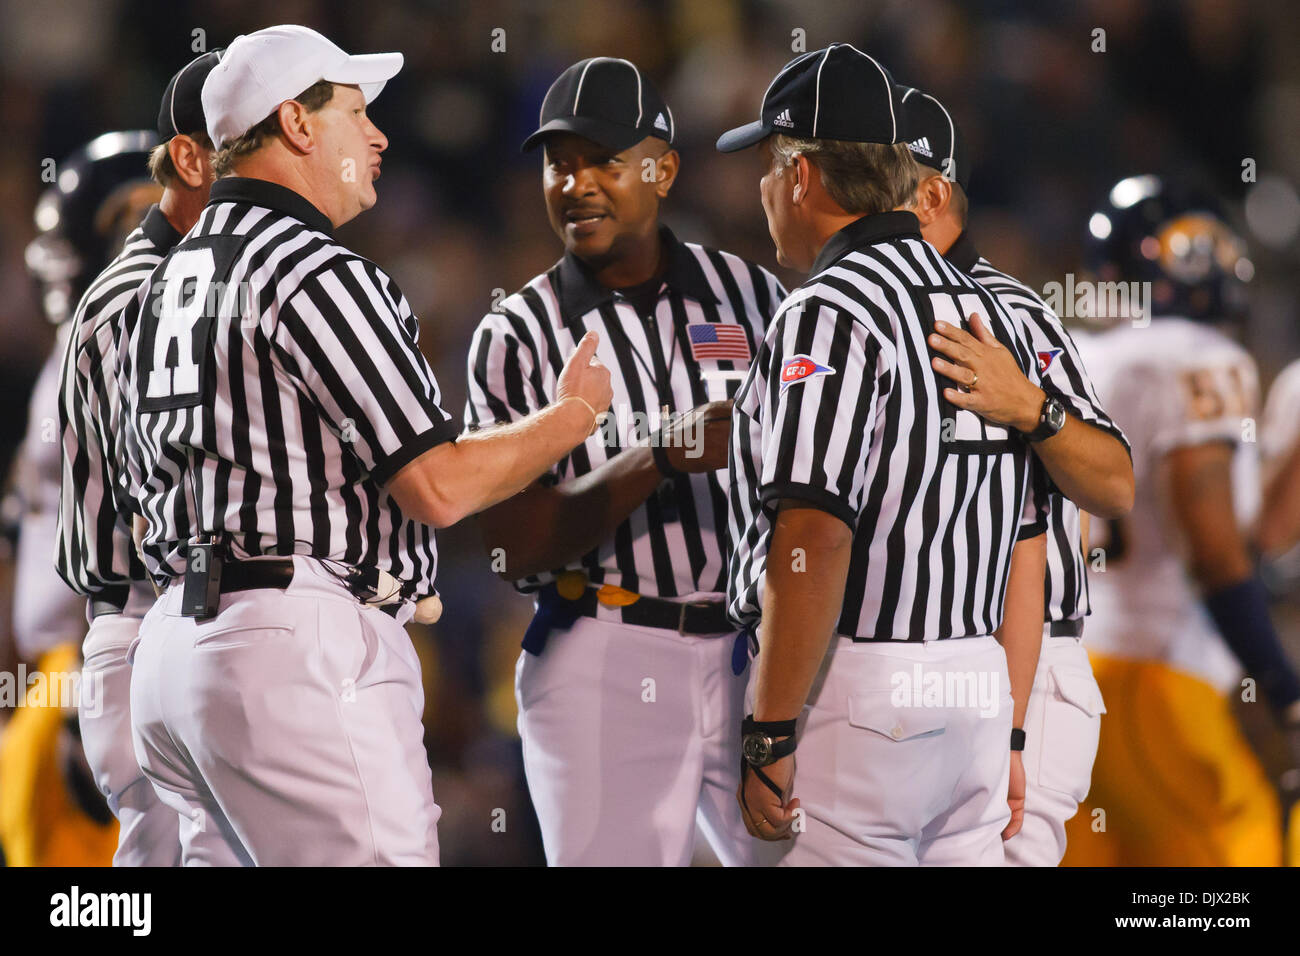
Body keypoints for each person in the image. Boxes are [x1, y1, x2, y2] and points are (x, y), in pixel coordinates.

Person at [115, 25, 611, 866]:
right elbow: (437, 486)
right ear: (297, 126)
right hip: (288, 647)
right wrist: (568, 418)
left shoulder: (159, 279)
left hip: (171, 648)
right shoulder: (315, 268)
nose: (379, 134)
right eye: (353, 111)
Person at [717, 43, 1046, 866]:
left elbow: (813, 537)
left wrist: (769, 733)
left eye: (767, 165)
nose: (761, 190)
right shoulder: (989, 308)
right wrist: (1007, 726)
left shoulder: (828, 310)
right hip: (976, 678)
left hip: (863, 691)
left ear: (801, 176)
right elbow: (1028, 537)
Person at [464, 57, 787, 866]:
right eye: (558, 162)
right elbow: (509, 546)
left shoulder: (752, 295)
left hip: (757, 652)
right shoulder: (519, 332)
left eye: (604, 159)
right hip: (607, 649)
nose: (577, 183)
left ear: (663, 168)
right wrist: (659, 456)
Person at [895, 85, 1133, 865]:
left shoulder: (1013, 314)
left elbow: (1113, 482)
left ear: (931, 195)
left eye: (868, 182)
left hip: (1022, 665)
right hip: (921, 668)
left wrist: (1032, 406)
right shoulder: (864, 314)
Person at [1062, 175, 1300, 865]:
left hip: (1067, 676)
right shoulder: (1194, 358)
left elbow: (1248, 536)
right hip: (1153, 677)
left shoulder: (1076, 356)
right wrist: (1282, 687)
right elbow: (1213, 553)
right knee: (1246, 857)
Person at [54, 51, 222, 867]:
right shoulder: (145, 294)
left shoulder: (186, 280)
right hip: (155, 616)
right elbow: (173, 495)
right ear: (190, 160)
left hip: (168, 628)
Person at [0, 130, 160, 867]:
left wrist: (84, 698)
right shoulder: (76, 350)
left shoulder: (136, 349)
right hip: (54, 674)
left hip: (98, 667)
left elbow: (141, 527)